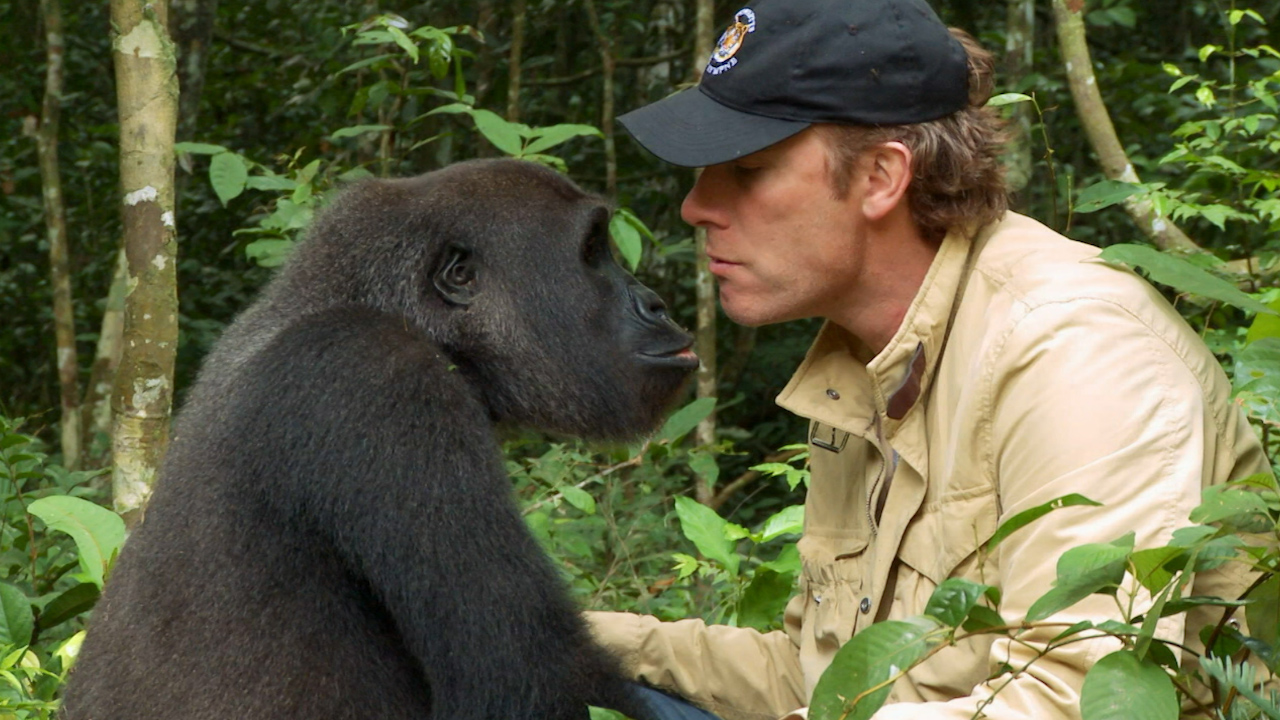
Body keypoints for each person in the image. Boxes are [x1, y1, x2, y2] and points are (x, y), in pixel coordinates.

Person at [587, 1, 1273, 719]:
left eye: (747, 170)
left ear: (882, 178)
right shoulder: (867, 362)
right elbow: (820, 682)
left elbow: (1074, 702)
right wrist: (565, 633)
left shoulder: (1072, 351)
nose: (697, 207)